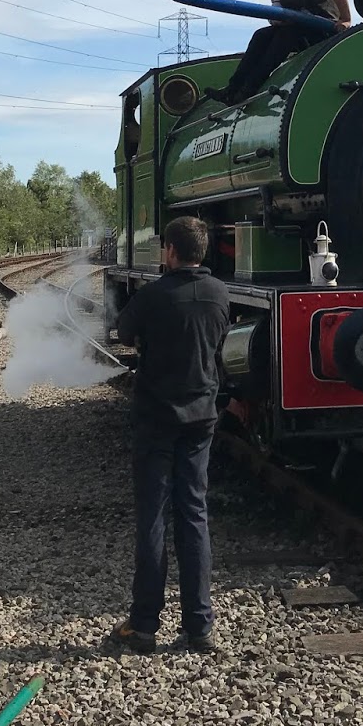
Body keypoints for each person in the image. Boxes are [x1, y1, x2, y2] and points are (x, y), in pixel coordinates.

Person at [110, 216, 231, 654]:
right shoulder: (220, 293)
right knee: (194, 515)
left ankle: (143, 625)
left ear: (171, 252)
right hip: (201, 419)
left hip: (157, 419)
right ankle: (199, 626)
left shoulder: (154, 295)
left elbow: (123, 332)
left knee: (153, 518)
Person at [207, 0, 352, 104]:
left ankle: (250, 88)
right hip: (301, 31)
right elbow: (274, 14)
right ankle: (232, 88)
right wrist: (280, 19)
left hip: (325, 30)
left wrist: (345, 19)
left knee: (285, 35)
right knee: (261, 35)